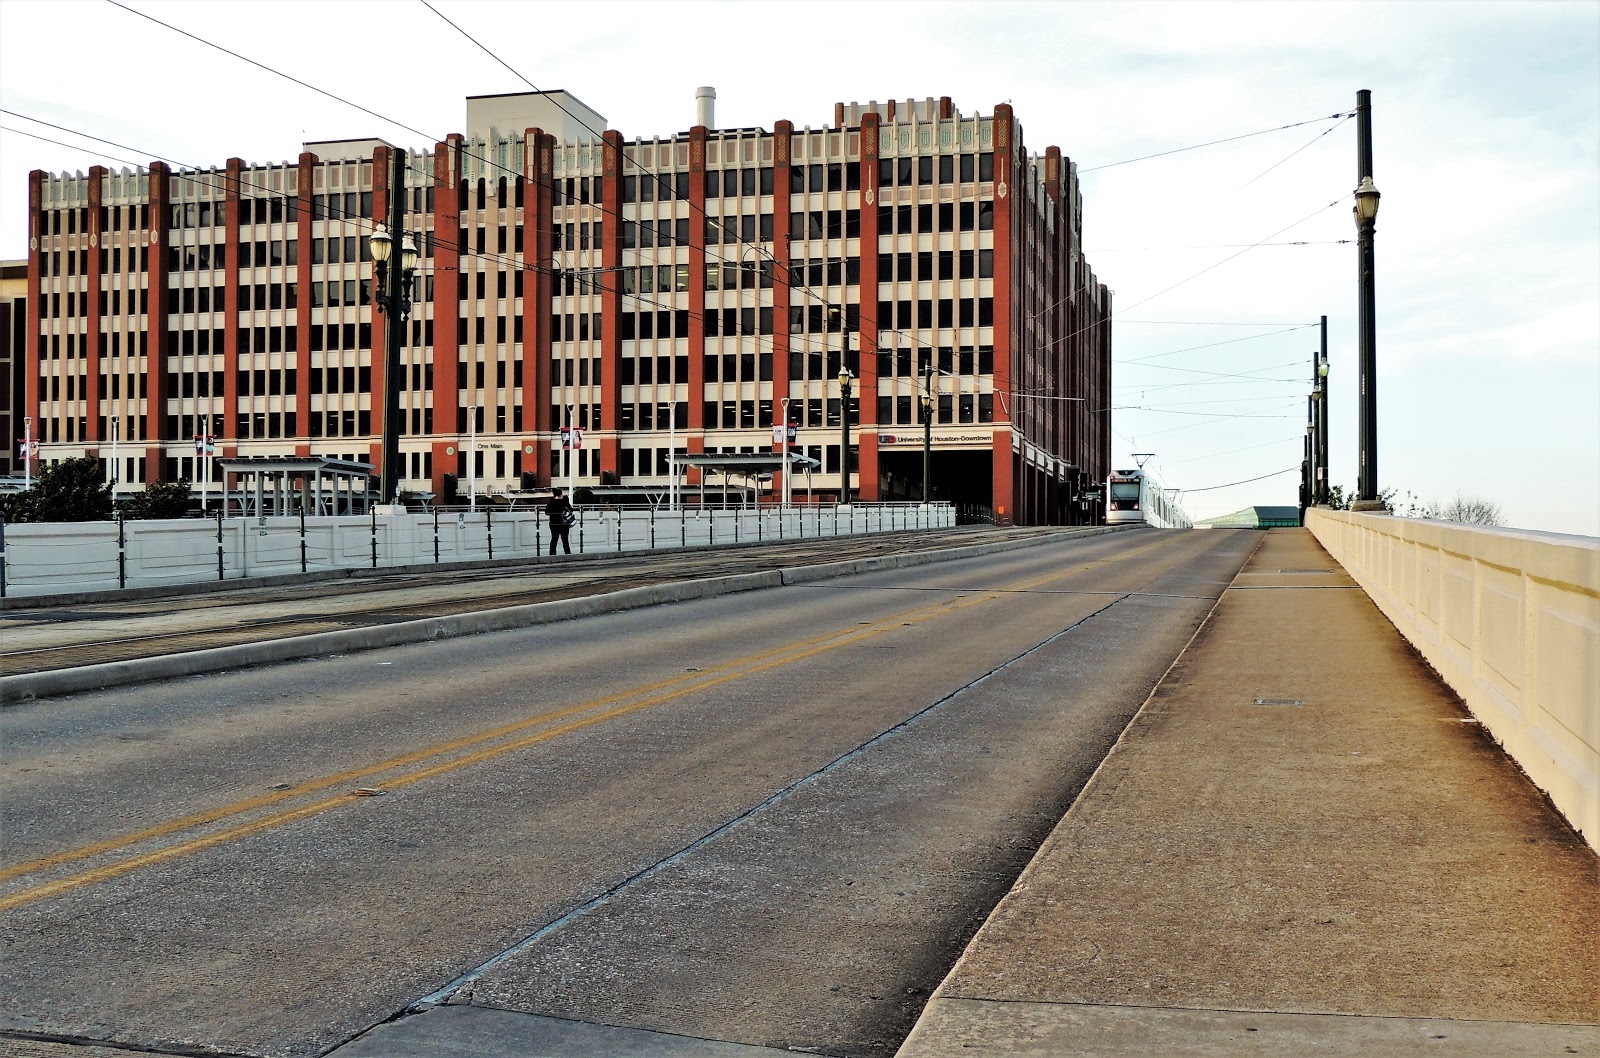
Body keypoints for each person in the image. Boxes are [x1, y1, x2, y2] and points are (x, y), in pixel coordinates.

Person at [545, 487, 575, 555]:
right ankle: (567, 553)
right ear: (561, 494)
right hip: (564, 523)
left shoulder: (551, 502)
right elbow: (571, 509)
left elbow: (547, 512)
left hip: (553, 523)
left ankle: (552, 554)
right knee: (565, 539)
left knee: (554, 539)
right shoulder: (564, 501)